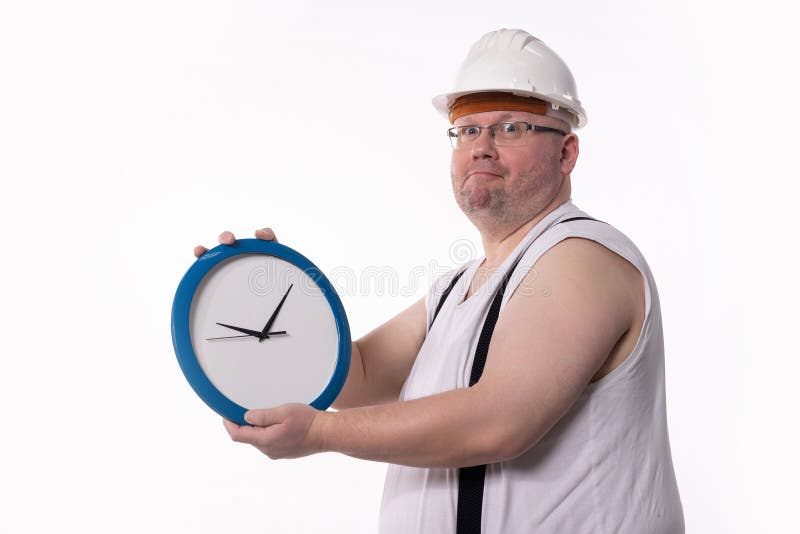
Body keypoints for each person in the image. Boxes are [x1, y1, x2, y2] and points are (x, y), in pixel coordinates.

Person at [194, 29, 684, 533]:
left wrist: (321, 433)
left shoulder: (584, 259)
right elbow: (354, 375)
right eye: (467, 131)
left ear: (566, 154)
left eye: (510, 128)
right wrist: (265, 286)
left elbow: (501, 419)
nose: (482, 148)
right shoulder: (456, 290)